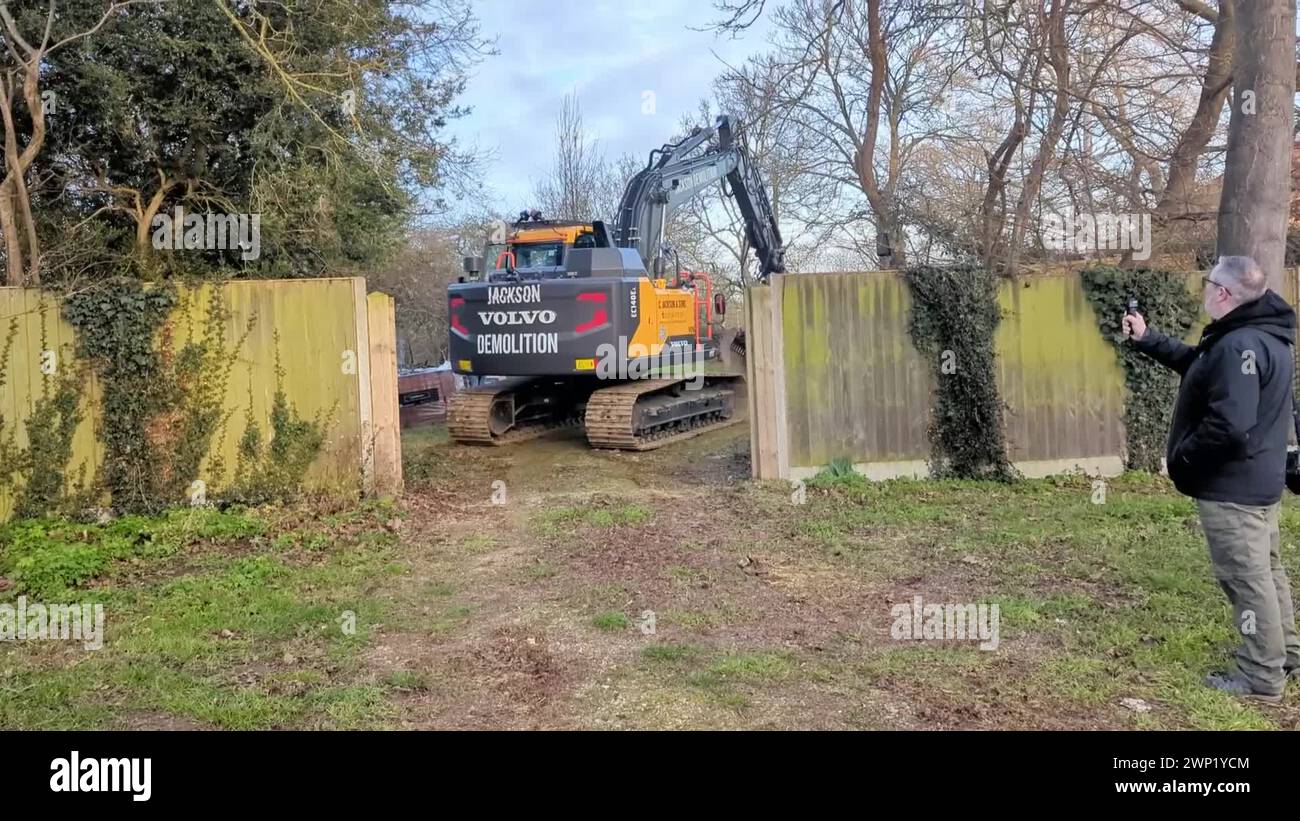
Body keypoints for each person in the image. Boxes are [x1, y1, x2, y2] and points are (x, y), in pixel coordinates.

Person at [1124, 256, 1299, 703]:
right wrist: (1148, 339)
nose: (1204, 288)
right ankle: (1287, 656)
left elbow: (1230, 425)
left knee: (1247, 580)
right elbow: (1201, 369)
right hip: (1258, 482)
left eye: (1209, 282)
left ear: (1223, 293)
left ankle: (1261, 676)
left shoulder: (1238, 344)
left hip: (1233, 490)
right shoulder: (1262, 336)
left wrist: (1185, 458)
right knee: (1268, 573)